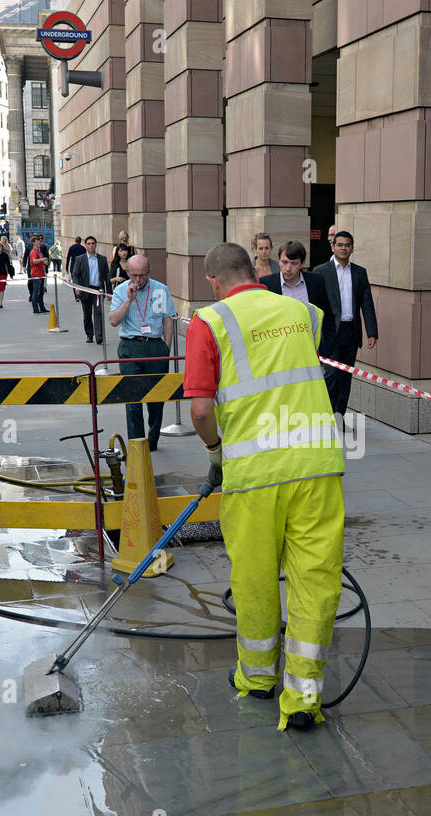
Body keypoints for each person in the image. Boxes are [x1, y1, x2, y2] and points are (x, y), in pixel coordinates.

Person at [183, 242, 344, 731]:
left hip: (255, 476)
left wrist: (216, 454)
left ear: (214, 281)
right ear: (256, 271)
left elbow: (201, 411)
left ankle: (256, 678)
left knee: (254, 579)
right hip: (317, 466)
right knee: (315, 581)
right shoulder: (302, 312)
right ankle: (301, 700)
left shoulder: (208, 322)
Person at [108, 254, 175, 450]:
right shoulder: (121, 290)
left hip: (155, 346)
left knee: (156, 399)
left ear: (149, 272)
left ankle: (152, 439)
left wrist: (166, 349)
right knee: (133, 398)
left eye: (142, 276)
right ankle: (137, 443)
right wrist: (129, 300)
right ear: (128, 272)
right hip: (131, 347)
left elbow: (168, 319)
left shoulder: (161, 290)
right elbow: (113, 320)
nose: (138, 280)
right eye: (134, 275)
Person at [312, 230, 378, 417]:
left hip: (351, 332)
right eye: (339, 245)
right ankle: (327, 416)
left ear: (352, 248)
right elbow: (314, 305)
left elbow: (367, 303)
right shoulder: (321, 271)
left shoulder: (359, 272)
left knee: (345, 377)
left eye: (347, 245)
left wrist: (371, 331)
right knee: (330, 375)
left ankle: (339, 416)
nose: (343, 248)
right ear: (332, 247)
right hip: (330, 332)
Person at [260, 240, 334, 361]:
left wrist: (325, 350)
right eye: (284, 262)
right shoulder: (266, 284)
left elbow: (328, 317)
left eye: (294, 263)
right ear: (279, 261)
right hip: (278, 354)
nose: (288, 268)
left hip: (310, 352)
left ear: (302, 263)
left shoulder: (316, 282)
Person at [71, 235, 111, 344]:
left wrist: (109, 292)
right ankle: (89, 335)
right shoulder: (80, 259)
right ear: (86, 245)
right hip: (85, 289)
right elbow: (75, 274)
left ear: (96, 245)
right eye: (89, 244)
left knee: (98, 313)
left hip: (98, 291)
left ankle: (99, 337)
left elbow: (107, 276)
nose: (91, 246)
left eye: (93, 243)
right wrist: (77, 288)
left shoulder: (102, 259)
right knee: (87, 314)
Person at [27, 235, 48, 314]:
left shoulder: (39, 251)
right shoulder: (33, 252)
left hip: (41, 274)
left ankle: (42, 308)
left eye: (39, 241)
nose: (39, 242)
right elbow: (34, 261)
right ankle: (35, 309)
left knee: (41, 292)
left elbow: (40, 261)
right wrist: (42, 259)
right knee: (36, 292)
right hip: (36, 274)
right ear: (33, 242)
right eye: (37, 241)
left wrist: (44, 261)